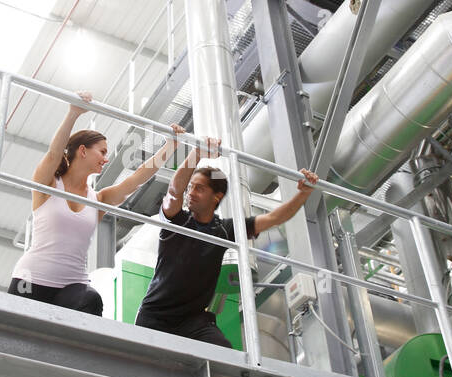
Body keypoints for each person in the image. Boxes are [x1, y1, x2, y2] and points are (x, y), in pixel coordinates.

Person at [10, 90, 184, 315]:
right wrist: (73, 114)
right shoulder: (48, 184)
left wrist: (170, 146)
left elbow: (137, 178)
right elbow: (54, 154)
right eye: (102, 151)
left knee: (91, 299)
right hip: (32, 279)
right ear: (82, 150)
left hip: (72, 287)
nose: (106, 158)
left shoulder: (99, 200)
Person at [135, 138, 319, 347]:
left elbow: (274, 219)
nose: (191, 193)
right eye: (191, 187)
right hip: (155, 316)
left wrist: (303, 193)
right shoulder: (177, 219)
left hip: (193, 320)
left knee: (224, 351)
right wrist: (196, 153)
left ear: (216, 197)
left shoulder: (225, 229)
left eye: (200, 189)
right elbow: (174, 192)